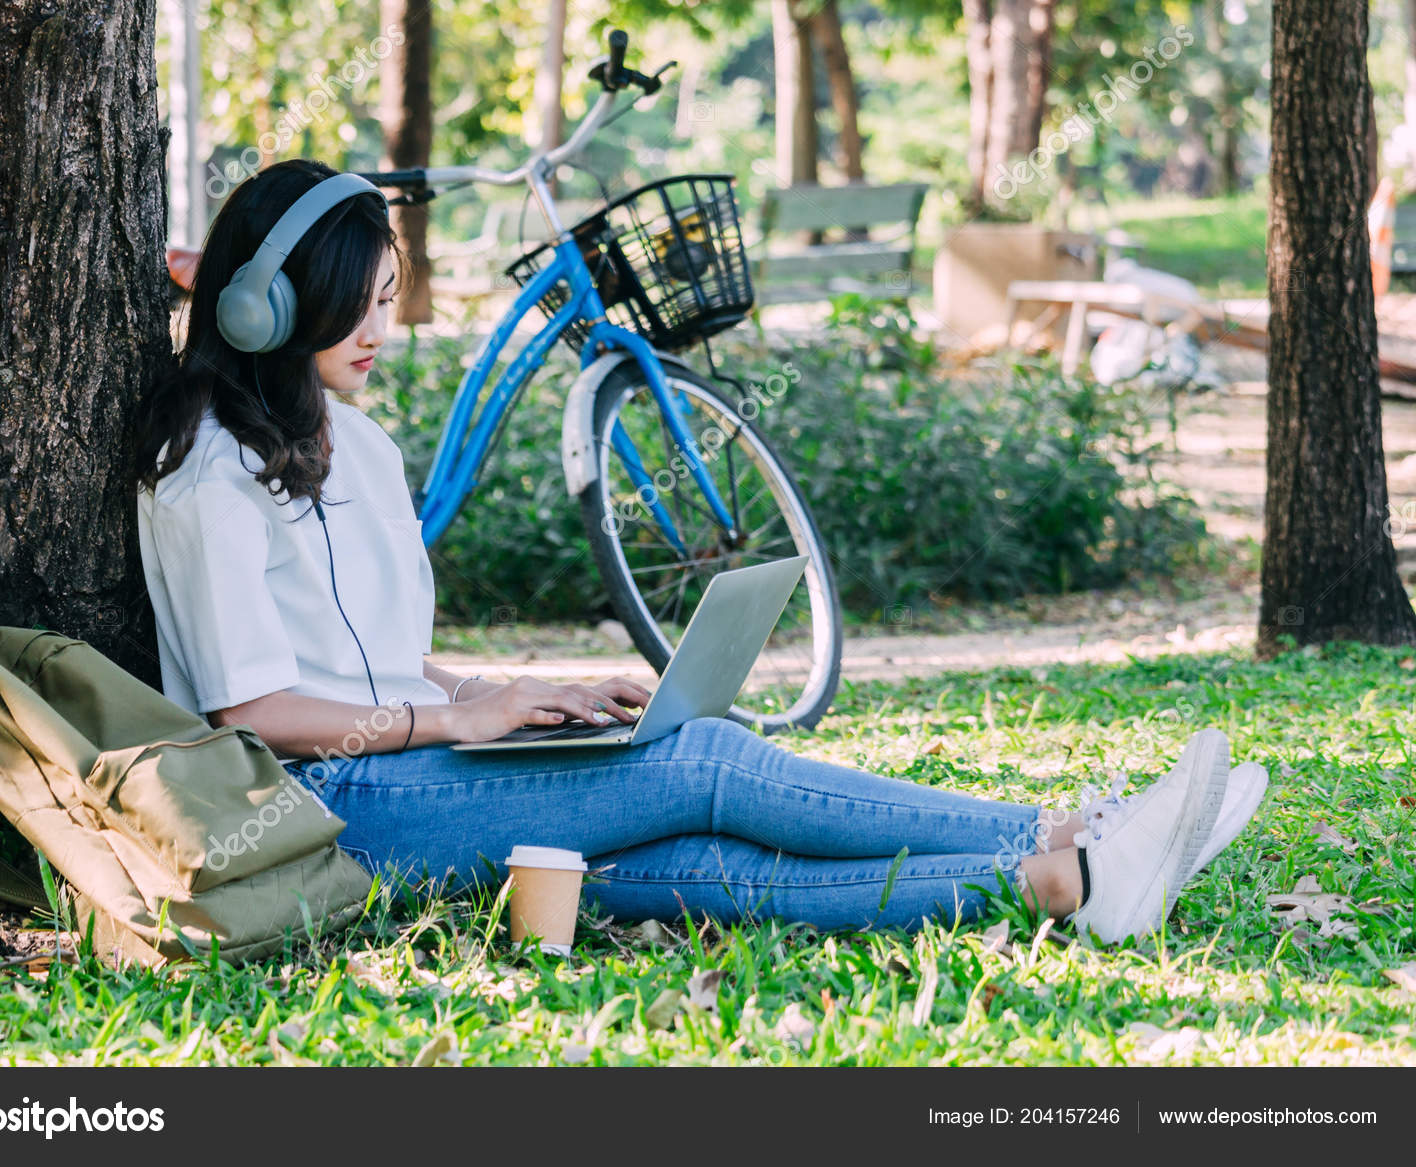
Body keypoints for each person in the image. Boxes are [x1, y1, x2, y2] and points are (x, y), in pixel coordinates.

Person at [133, 160, 1266, 944]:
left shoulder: (357, 443)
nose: (377, 330)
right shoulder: (203, 475)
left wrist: (514, 692)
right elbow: (253, 712)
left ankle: (1060, 881)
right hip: (331, 806)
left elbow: (373, 658)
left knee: (667, 864)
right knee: (707, 764)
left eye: (388, 299)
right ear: (262, 307)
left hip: (413, 770)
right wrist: (453, 723)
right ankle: (1069, 826)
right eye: (351, 305)